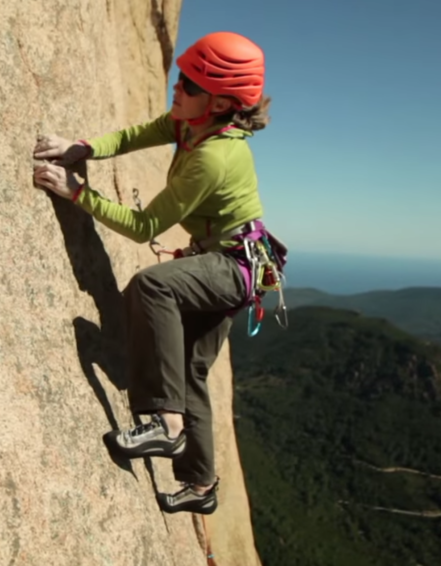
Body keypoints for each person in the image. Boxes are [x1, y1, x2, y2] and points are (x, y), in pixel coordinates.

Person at [32, 31, 287, 515]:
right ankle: (202, 484)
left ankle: (165, 425)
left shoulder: (215, 155)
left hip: (233, 267)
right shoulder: (192, 125)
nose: (178, 87)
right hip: (229, 258)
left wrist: (77, 193)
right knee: (190, 370)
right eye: (182, 76)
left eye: (191, 84)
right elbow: (134, 136)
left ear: (219, 103)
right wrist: (82, 148)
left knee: (152, 285)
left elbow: (145, 225)